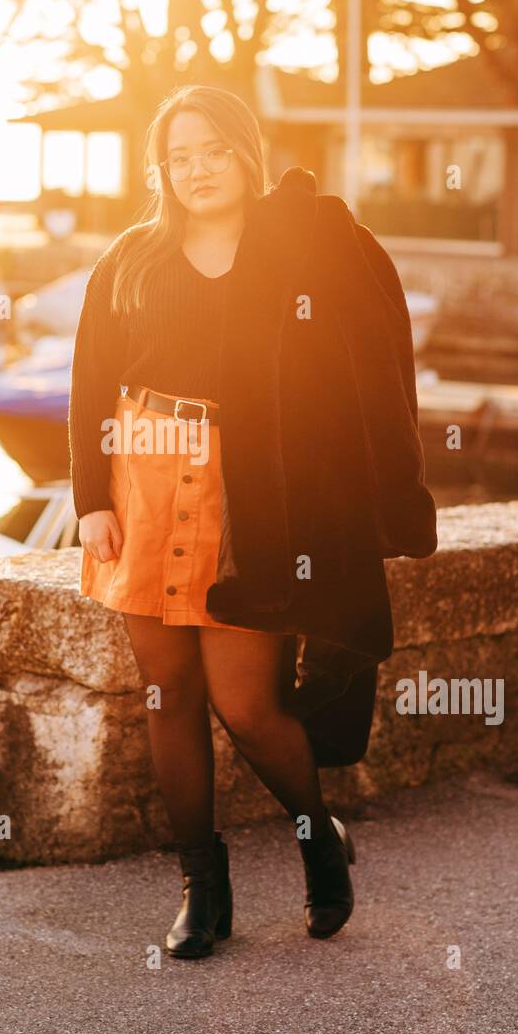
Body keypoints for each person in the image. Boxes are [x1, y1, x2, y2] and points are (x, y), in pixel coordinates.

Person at [68, 83, 436, 958]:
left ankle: (320, 842)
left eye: (212, 151)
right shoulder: (131, 256)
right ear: (161, 170)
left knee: (246, 701)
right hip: (143, 485)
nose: (196, 170)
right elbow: (89, 385)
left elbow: (365, 368)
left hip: (255, 496)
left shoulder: (297, 254)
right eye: (177, 156)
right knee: (168, 696)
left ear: (244, 152)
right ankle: (203, 882)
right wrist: (90, 502)